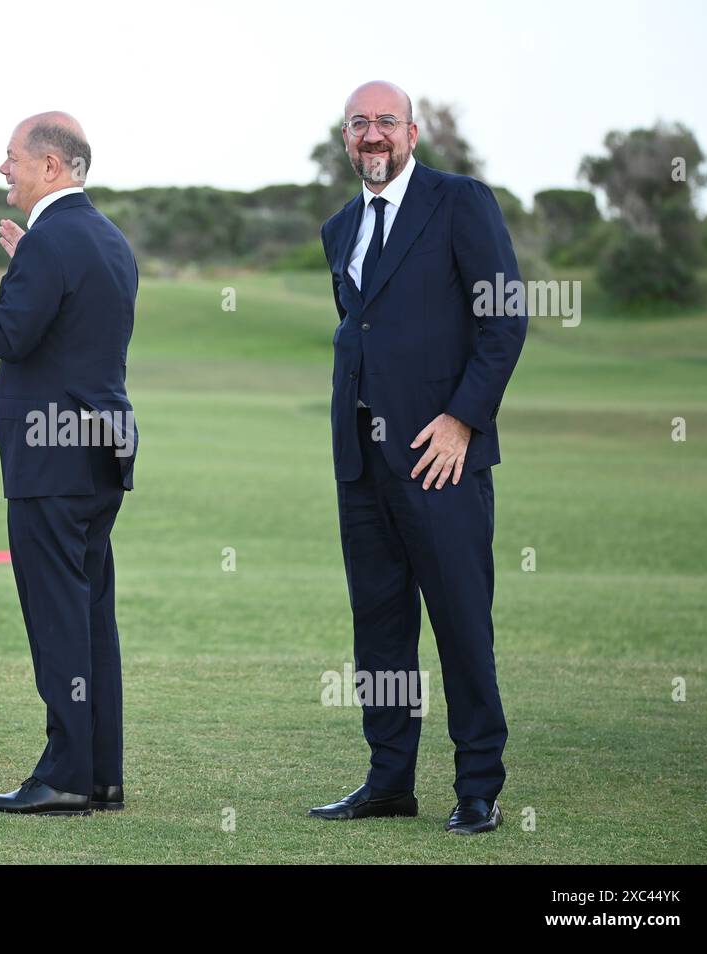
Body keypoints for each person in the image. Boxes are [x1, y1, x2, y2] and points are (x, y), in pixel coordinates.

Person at [308, 82, 527, 834]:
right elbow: (364, 330)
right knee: (381, 628)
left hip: (444, 461)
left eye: (386, 123)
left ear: (412, 131)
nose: (373, 135)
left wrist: (464, 419)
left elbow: (503, 316)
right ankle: (389, 779)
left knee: (463, 623)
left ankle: (477, 788)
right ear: (347, 138)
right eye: (360, 124)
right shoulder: (339, 226)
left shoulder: (460, 201)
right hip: (362, 466)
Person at [0, 112, 138, 816]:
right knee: (90, 616)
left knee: (57, 621)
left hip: (51, 461)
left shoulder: (54, 242)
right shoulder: (106, 238)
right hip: (101, 454)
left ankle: (66, 774)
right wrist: (29, 263)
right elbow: (68, 330)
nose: (2, 169)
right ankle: (101, 774)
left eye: (12, 157)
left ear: (51, 166)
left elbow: (9, 334)